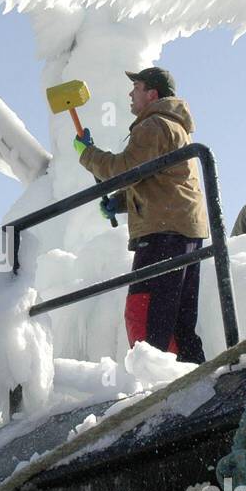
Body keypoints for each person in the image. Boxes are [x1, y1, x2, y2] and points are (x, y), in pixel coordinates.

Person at [75, 66, 208, 363]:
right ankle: (197, 380)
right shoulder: (174, 126)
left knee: (145, 313)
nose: (130, 94)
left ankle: (155, 387)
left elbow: (125, 170)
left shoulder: (153, 125)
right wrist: (120, 202)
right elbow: (157, 179)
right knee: (177, 319)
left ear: (152, 93)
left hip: (162, 233)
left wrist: (88, 153)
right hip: (184, 231)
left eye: (136, 87)